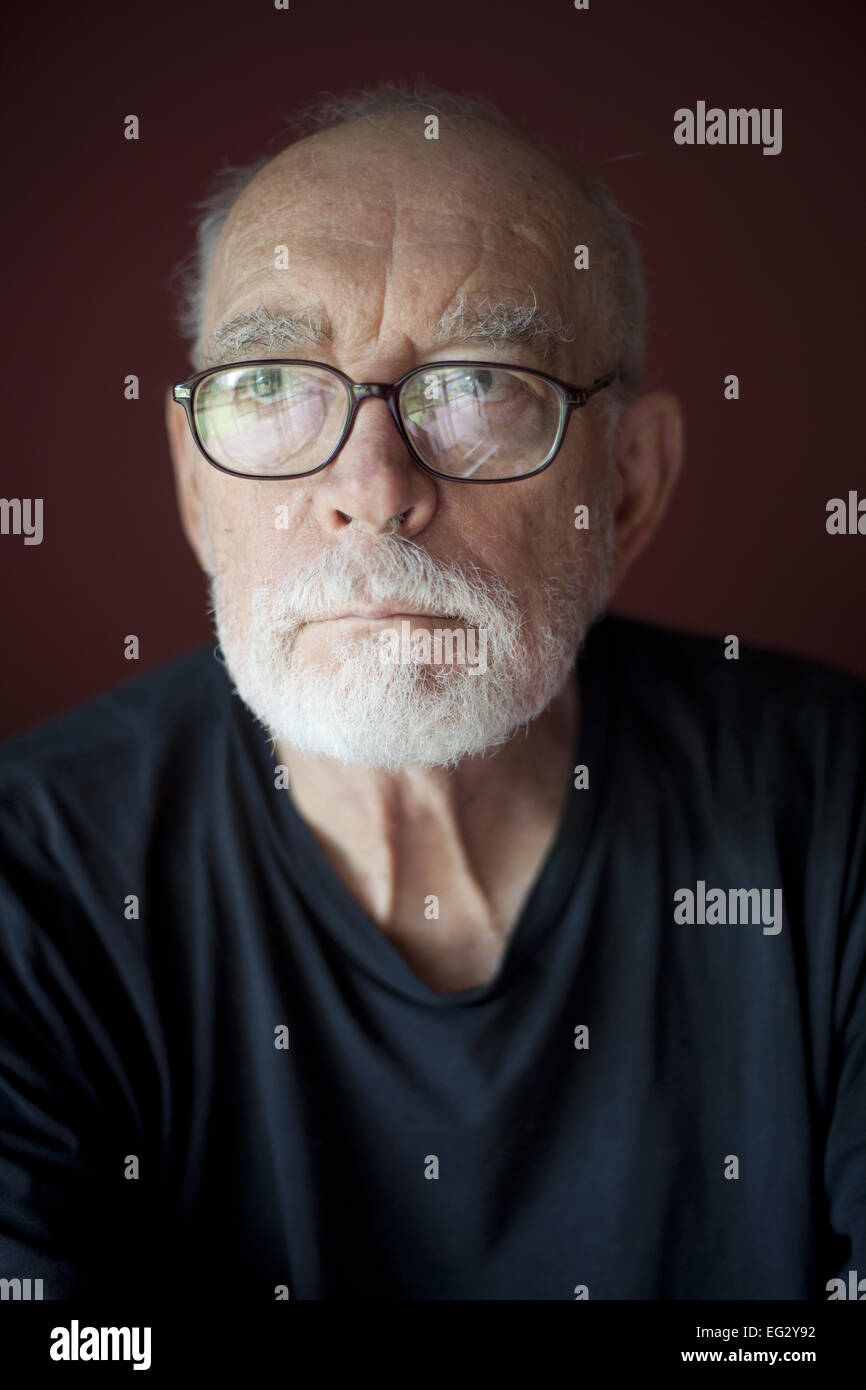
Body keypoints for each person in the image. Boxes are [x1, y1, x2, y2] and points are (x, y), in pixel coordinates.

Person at [0, 83, 863, 1302]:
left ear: (623, 486)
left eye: (476, 383)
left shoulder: (836, 809)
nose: (372, 486)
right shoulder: (29, 887)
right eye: (270, 382)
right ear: (198, 489)